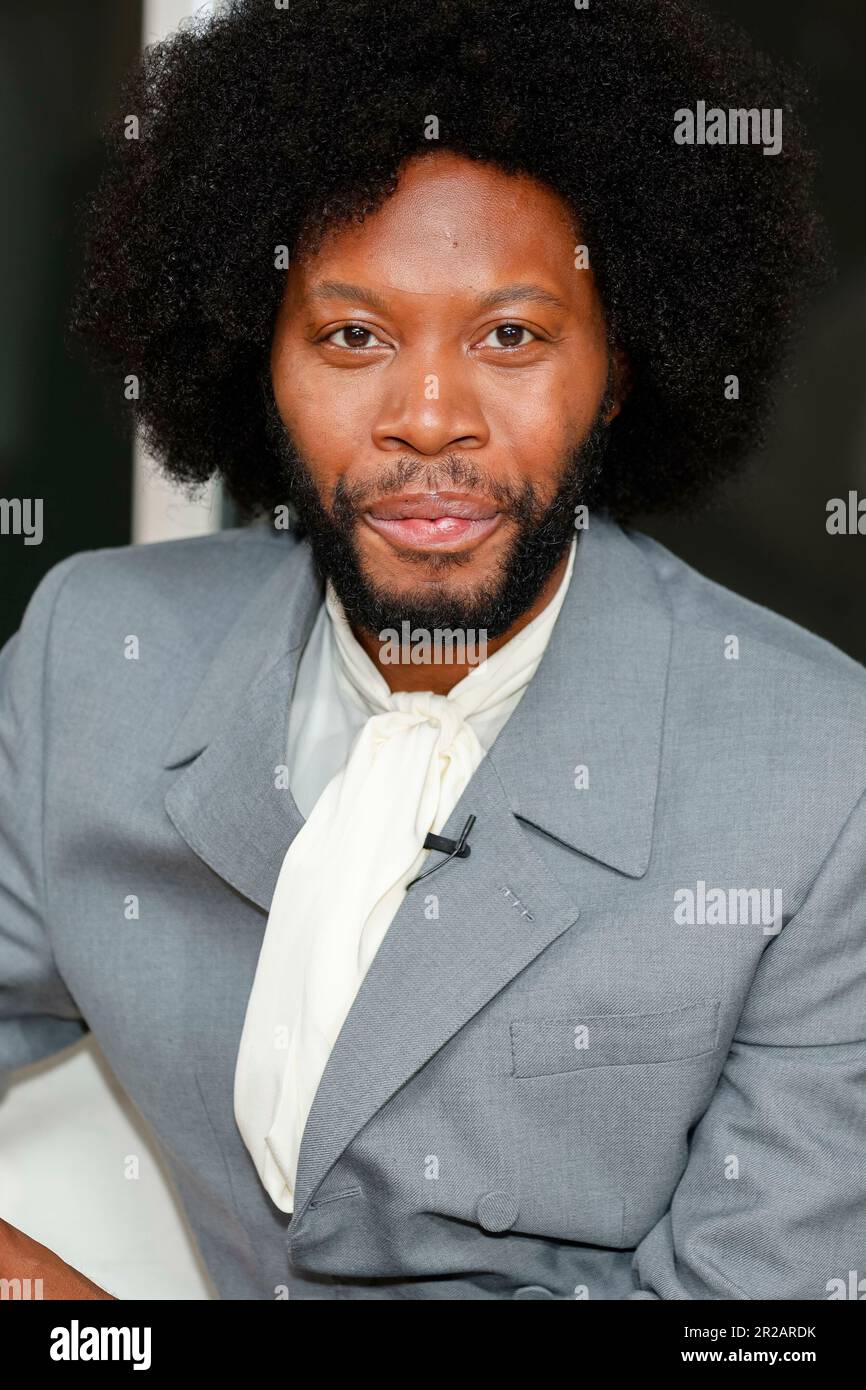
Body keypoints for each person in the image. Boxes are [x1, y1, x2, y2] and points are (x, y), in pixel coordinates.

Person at [1, 0, 863, 1301]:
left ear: (617, 367)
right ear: (260, 354)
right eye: (352, 334)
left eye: (510, 334)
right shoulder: (101, 653)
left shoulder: (816, 774)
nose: (426, 417)